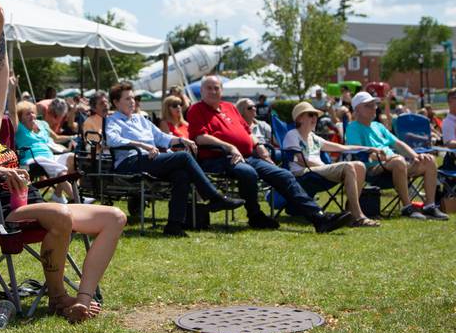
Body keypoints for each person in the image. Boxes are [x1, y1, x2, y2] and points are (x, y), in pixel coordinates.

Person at [0, 0, 125, 323]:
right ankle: (57, 297)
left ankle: (82, 298)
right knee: (60, 214)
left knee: (114, 217)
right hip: (0, 215)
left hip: (32, 203)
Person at [187, 75, 353, 233]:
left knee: (284, 175)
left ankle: (319, 218)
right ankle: (255, 215)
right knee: (248, 173)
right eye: (208, 88)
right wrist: (230, 147)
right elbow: (200, 138)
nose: (213, 91)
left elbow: (247, 131)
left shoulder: (229, 107)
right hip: (219, 158)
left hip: (248, 156)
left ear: (221, 90)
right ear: (201, 91)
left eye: (216, 88)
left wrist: (258, 144)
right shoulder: (197, 109)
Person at [105, 81, 244, 237]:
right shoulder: (113, 120)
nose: (132, 102)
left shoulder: (140, 119)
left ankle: (174, 225)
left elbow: (161, 137)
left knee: (181, 175)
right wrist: (142, 145)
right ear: (116, 102)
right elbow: (112, 140)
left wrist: (181, 140)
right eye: (127, 99)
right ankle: (215, 197)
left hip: (149, 160)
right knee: (184, 157)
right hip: (130, 162)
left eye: (133, 98)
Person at [345, 91, 448, 220]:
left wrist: (415, 156)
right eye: (369, 105)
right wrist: (387, 158)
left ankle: (429, 206)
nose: (374, 108)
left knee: (429, 160)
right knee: (398, 161)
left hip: (395, 166)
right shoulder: (353, 127)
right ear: (357, 109)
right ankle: (407, 207)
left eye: (375, 105)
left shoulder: (378, 126)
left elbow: (398, 144)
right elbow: (360, 152)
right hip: (373, 169)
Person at [283, 102, 380, 227]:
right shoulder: (292, 135)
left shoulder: (314, 137)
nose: (315, 118)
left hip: (319, 171)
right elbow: (299, 160)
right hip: (303, 173)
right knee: (348, 166)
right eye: (311, 115)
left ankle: (350, 211)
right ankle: (359, 216)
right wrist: (325, 166)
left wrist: (368, 148)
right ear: (299, 118)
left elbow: (342, 148)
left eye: (316, 116)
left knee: (360, 165)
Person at [14, 100, 76, 203]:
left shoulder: (41, 126)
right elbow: (12, 113)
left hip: (49, 157)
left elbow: (55, 139)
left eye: (33, 112)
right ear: (20, 117)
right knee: (55, 167)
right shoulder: (19, 128)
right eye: (27, 114)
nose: (32, 115)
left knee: (72, 157)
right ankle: (76, 198)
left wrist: (72, 138)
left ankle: (57, 195)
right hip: (32, 160)